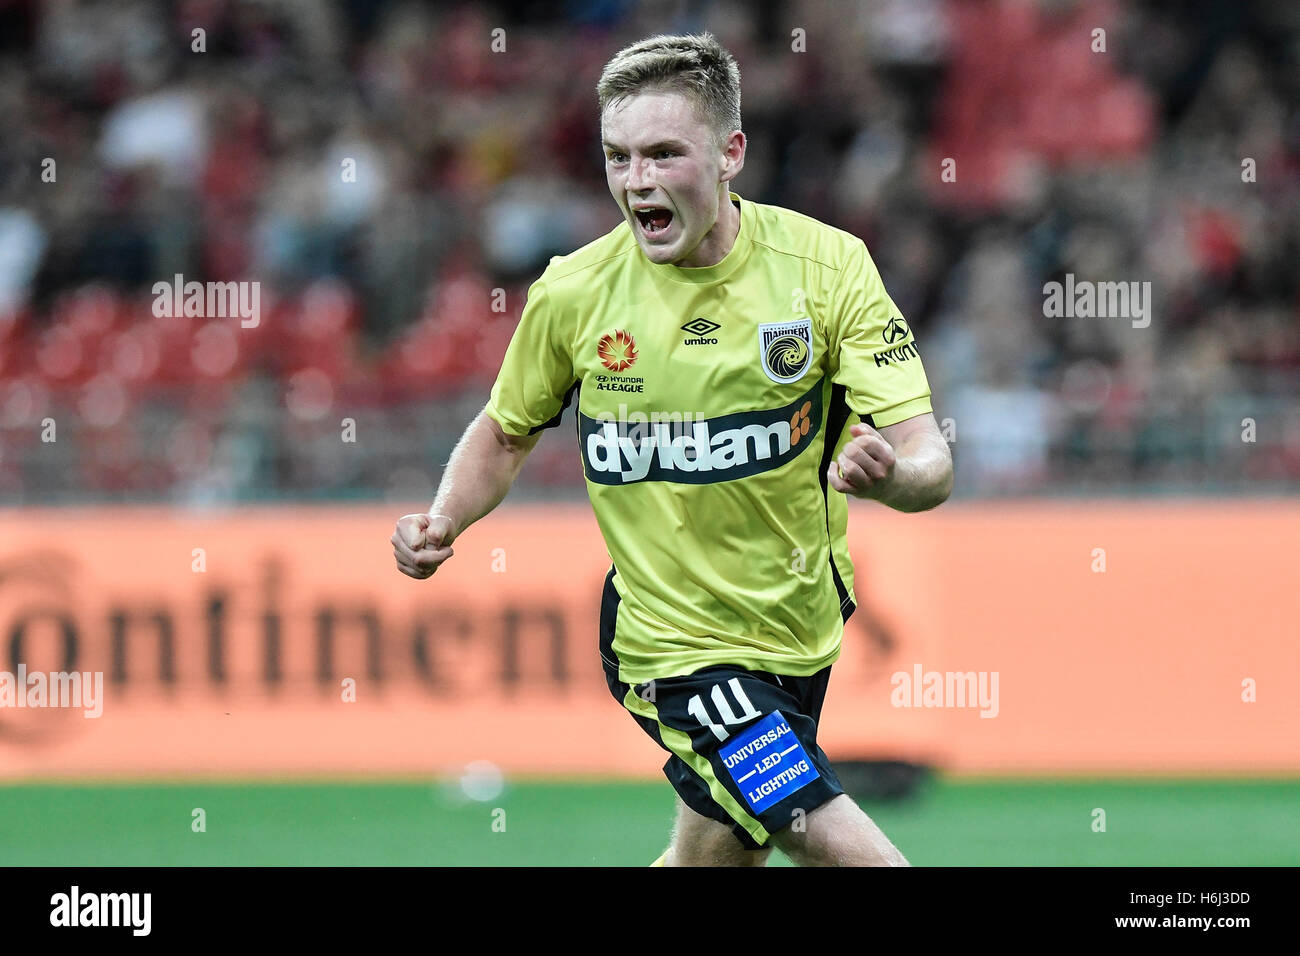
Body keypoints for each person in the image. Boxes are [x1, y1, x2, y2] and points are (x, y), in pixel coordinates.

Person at [391, 32, 952, 867]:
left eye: (662, 154)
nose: (636, 182)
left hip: (799, 628)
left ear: (731, 153)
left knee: (714, 862)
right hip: (668, 646)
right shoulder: (576, 292)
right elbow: (507, 429)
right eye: (618, 157)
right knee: (839, 842)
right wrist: (444, 518)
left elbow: (930, 464)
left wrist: (893, 478)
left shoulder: (826, 270)